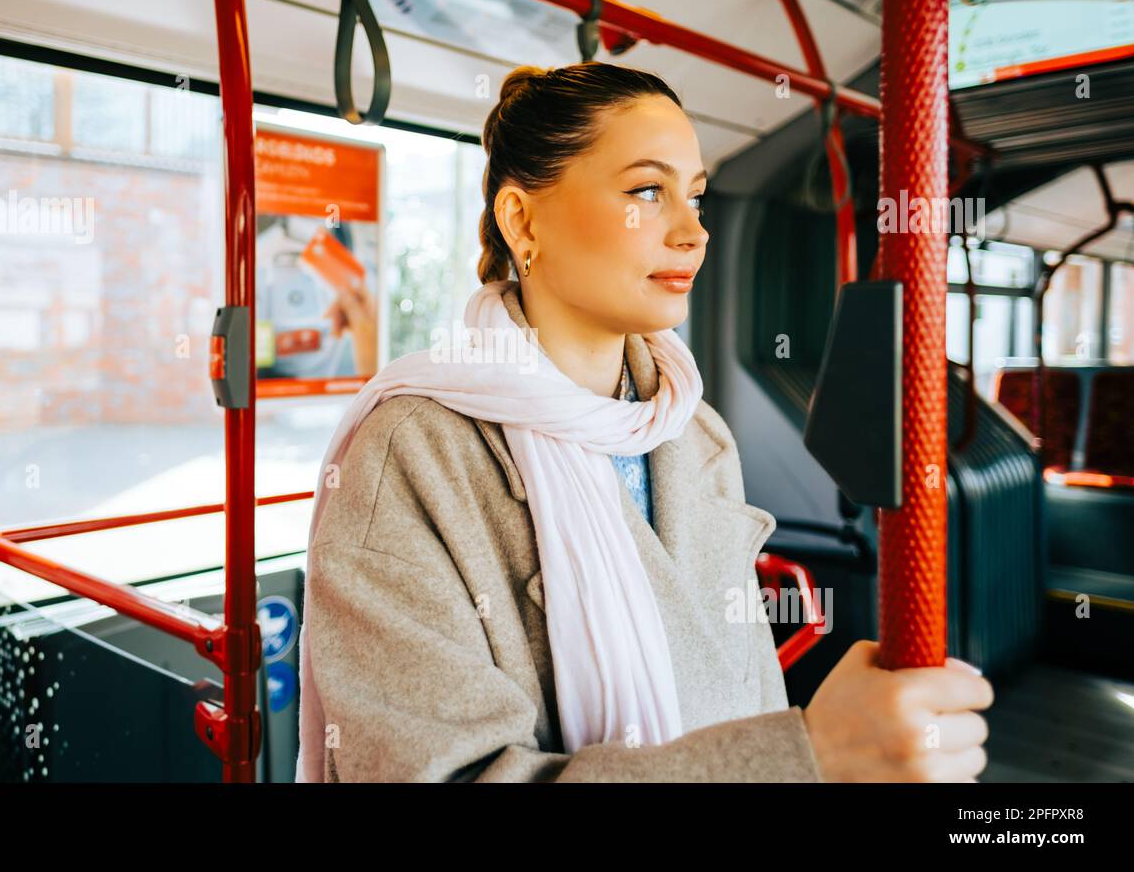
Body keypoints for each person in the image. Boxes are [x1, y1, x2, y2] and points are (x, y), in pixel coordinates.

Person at [293, 61, 993, 782]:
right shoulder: (410, 456)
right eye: (647, 192)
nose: (694, 232)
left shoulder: (695, 434)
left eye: (696, 197)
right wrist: (805, 756)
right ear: (521, 220)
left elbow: (744, 691)